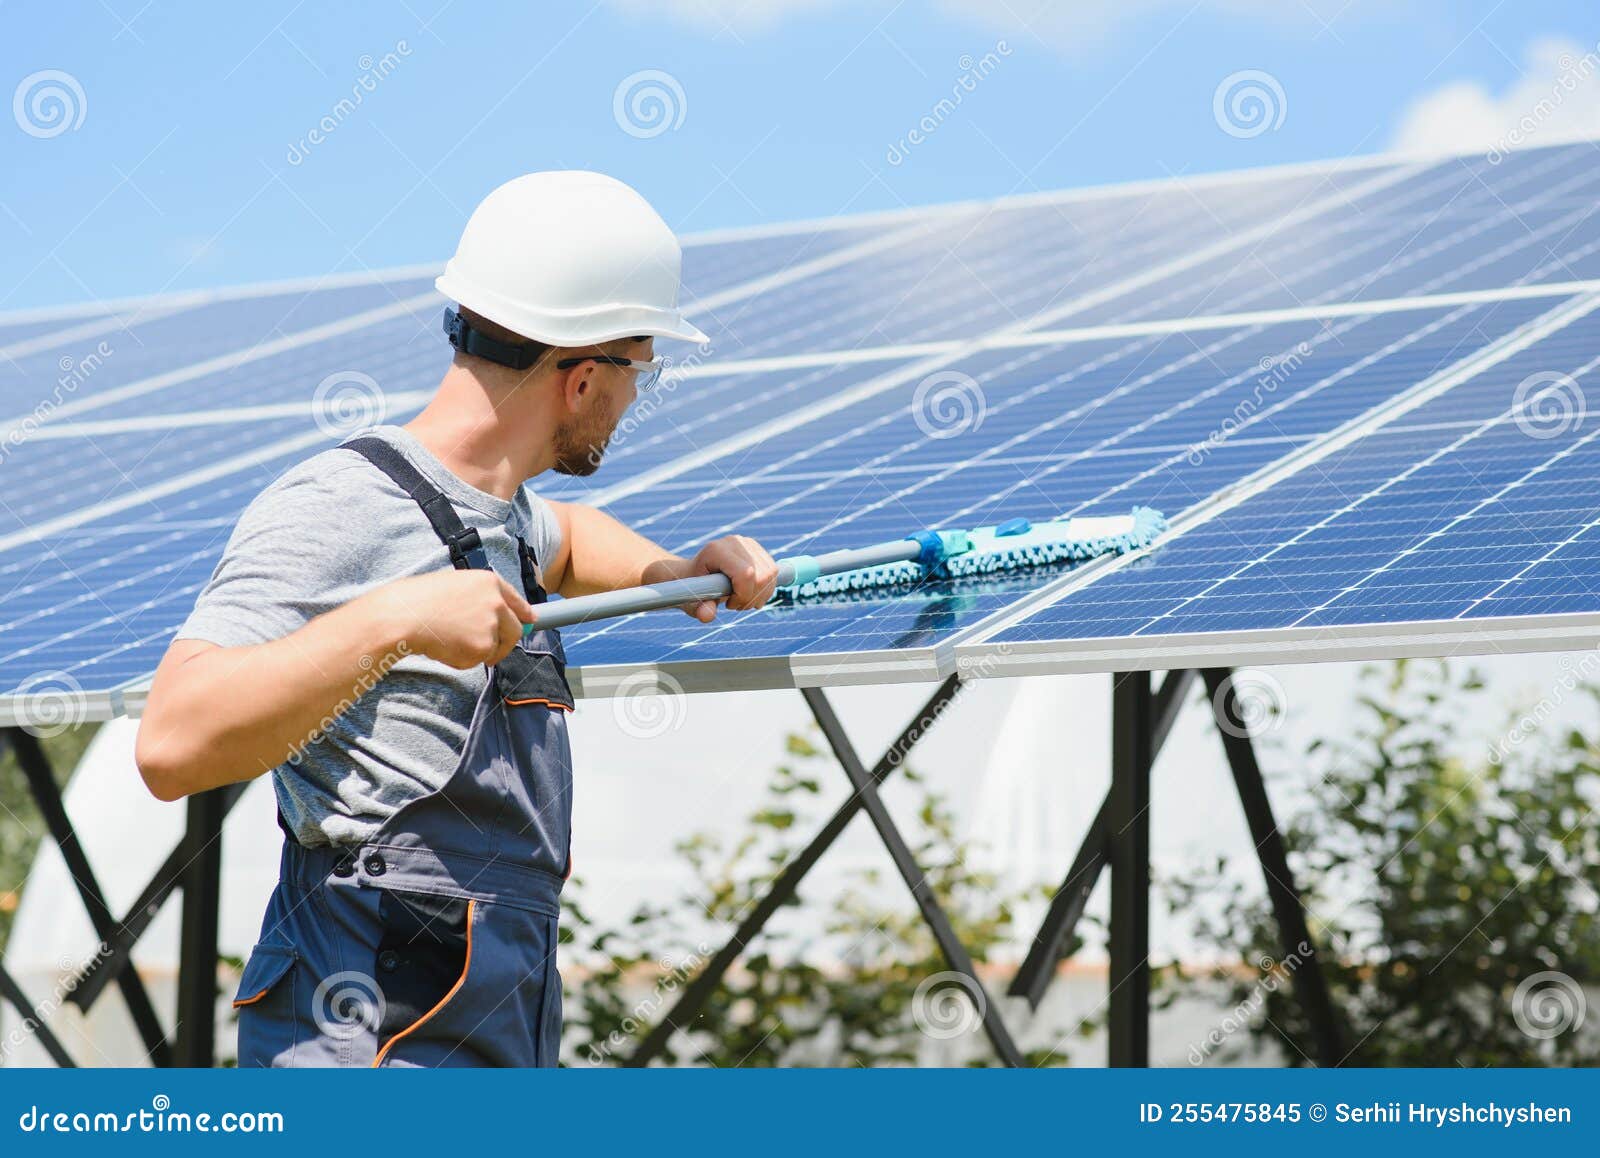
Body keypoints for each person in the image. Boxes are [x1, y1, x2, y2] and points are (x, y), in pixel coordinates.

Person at [135, 171, 779, 1067]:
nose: (636, 400)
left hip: (489, 1023)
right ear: (584, 378)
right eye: (642, 371)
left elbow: (570, 538)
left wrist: (670, 571)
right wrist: (393, 621)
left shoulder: (500, 514)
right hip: (362, 1035)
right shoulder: (343, 501)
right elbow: (171, 742)